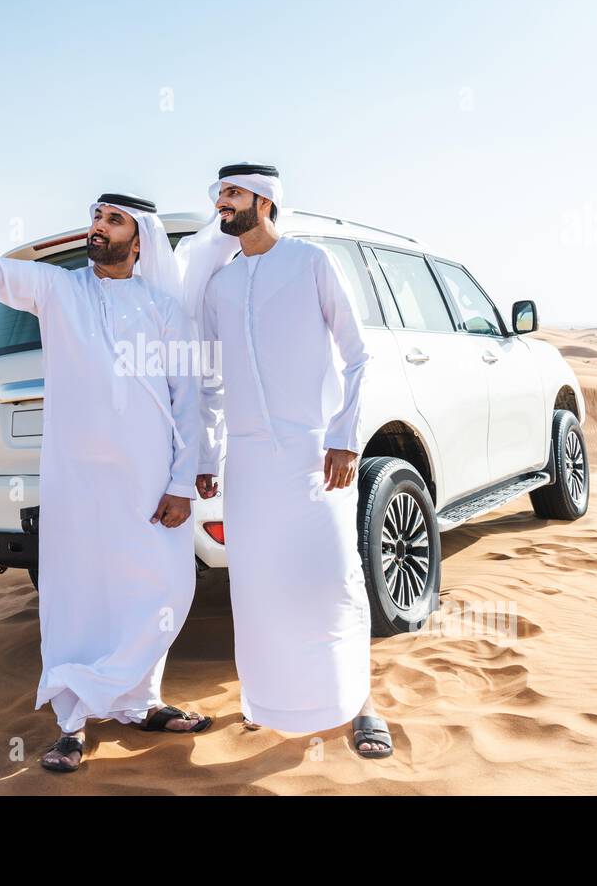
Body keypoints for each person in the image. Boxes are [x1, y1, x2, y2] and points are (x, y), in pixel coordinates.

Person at [0, 134, 212, 773]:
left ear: (140, 238)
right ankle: (73, 719)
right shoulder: (58, 291)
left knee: (161, 586)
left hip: (151, 479)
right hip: (76, 481)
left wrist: (185, 478)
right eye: (96, 216)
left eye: (112, 220)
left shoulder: (163, 309)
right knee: (77, 593)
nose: (97, 227)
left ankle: (139, 700)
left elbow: (191, 398)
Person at [187, 163, 393, 757]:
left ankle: (360, 705)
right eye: (218, 194)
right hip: (247, 465)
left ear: (265, 200)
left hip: (313, 455)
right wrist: (208, 451)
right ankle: (268, 701)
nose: (221, 203)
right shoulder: (218, 286)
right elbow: (210, 381)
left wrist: (345, 436)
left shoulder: (311, 263)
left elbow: (358, 356)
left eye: (231, 193)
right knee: (257, 587)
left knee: (333, 579)